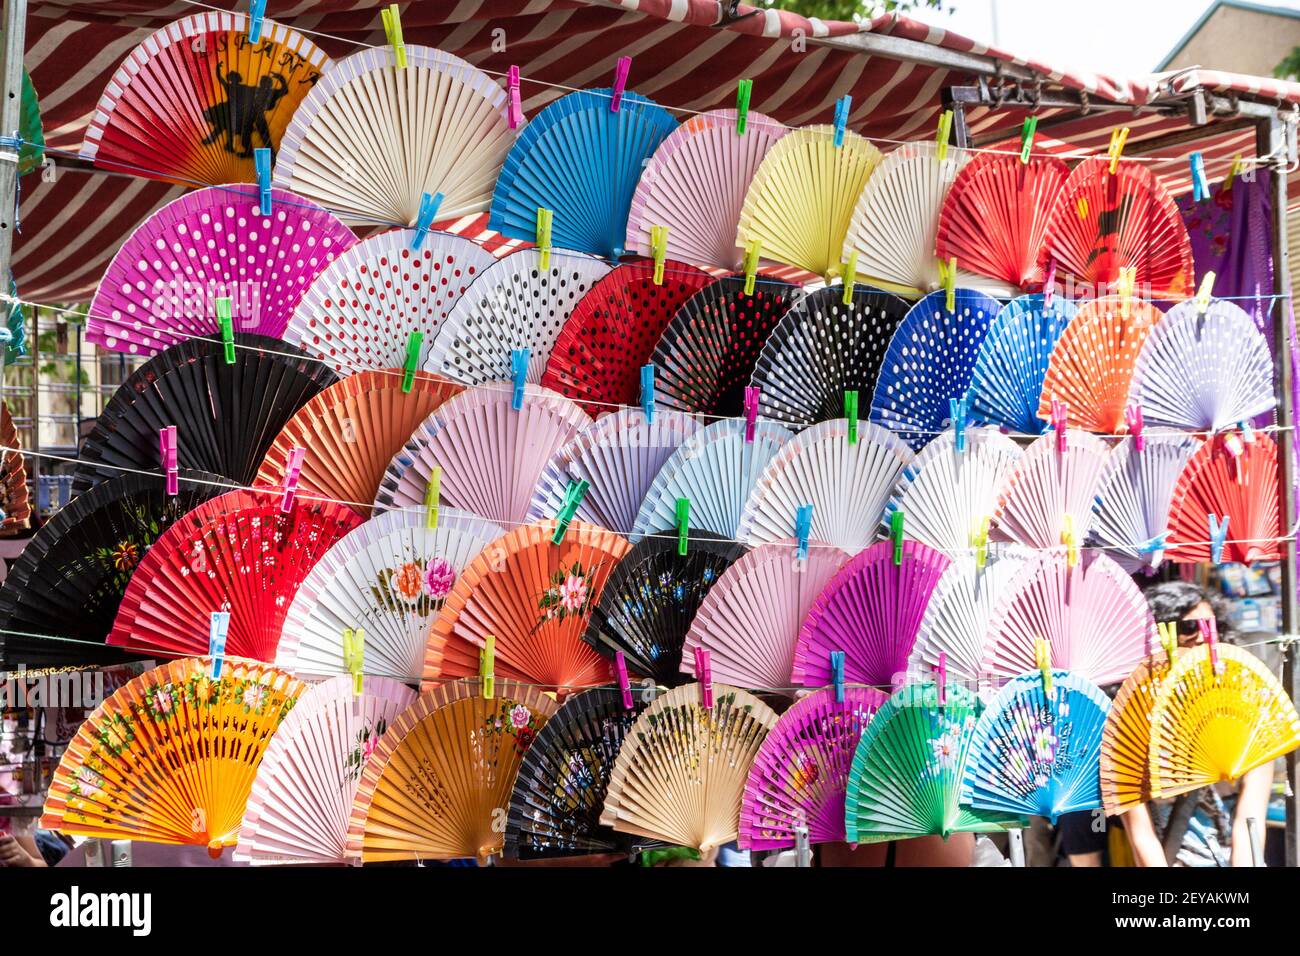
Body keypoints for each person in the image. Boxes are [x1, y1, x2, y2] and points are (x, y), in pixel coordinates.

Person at [1062, 581, 1271, 867]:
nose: (1201, 637)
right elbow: (1139, 830)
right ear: (1159, 634)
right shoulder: (1130, 724)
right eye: (1189, 627)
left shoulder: (1244, 709)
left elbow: (1252, 812)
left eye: (1211, 627)